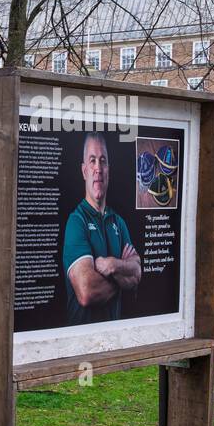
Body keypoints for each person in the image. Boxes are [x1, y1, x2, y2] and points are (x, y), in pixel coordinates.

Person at [63, 130, 140, 325]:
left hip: (114, 338)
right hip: (80, 340)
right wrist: (123, 274)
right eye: (92, 160)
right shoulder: (76, 221)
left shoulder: (119, 222)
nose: (98, 167)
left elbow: (137, 273)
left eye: (103, 160)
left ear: (109, 170)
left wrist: (112, 264)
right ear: (84, 170)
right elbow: (87, 291)